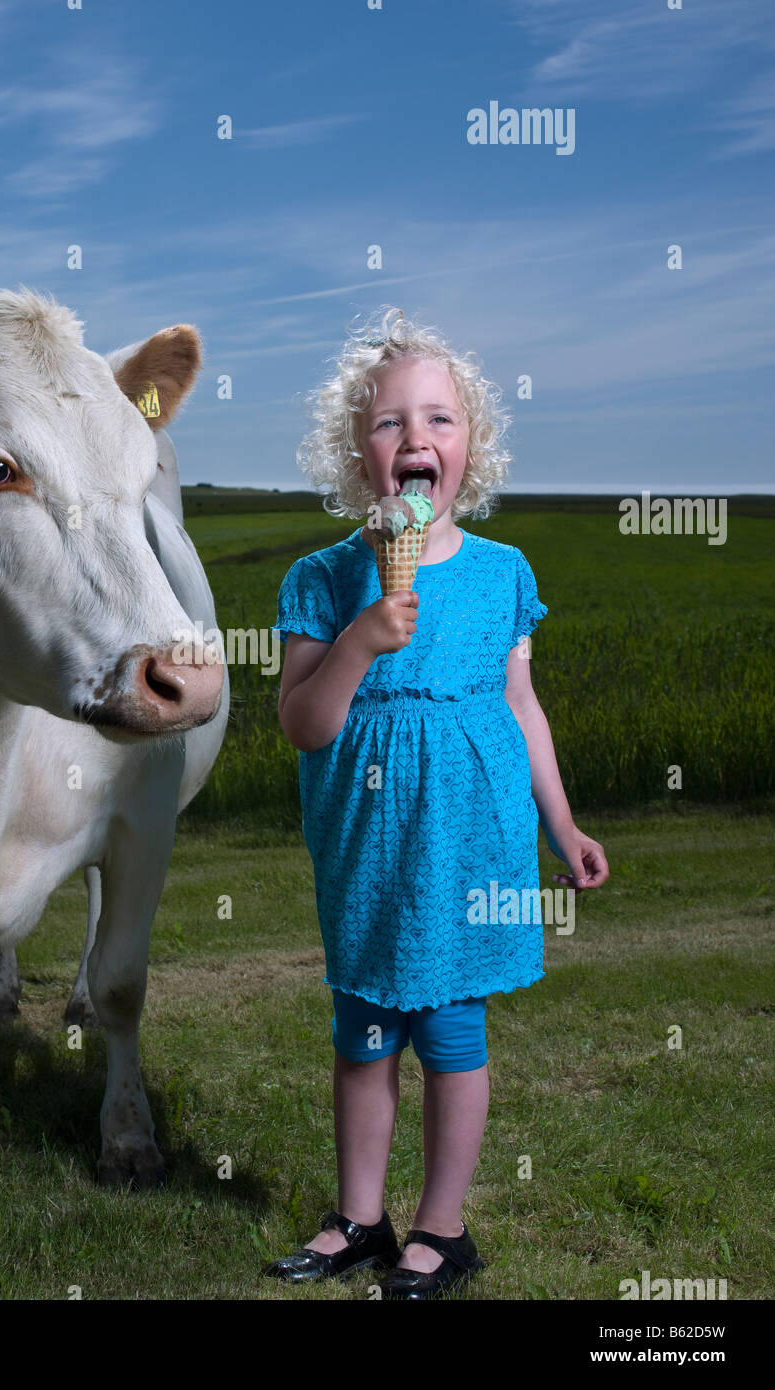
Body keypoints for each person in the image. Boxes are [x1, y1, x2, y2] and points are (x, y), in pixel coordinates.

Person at [265, 307, 608, 1300]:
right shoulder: (322, 579)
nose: (415, 439)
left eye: (440, 420)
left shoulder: (503, 574)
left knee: (453, 1037)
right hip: (368, 846)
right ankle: (358, 1216)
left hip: (471, 842)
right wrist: (361, 641)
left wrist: (563, 822)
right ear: (353, 451)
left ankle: (441, 1229)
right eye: (387, 423)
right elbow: (302, 723)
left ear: (472, 446)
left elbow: (521, 706)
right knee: (364, 1035)